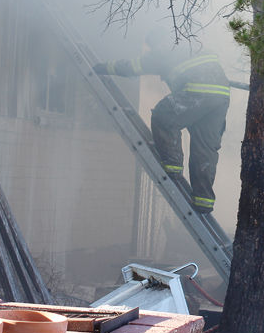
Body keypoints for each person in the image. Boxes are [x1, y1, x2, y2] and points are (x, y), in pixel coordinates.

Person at [93, 31, 230, 214]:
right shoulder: (187, 46)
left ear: (156, 43)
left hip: (199, 89)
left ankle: (172, 165)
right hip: (221, 95)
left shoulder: (163, 51)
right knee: (205, 148)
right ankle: (203, 200)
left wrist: (102, 67)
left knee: (163, 116)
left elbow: (131, 67)